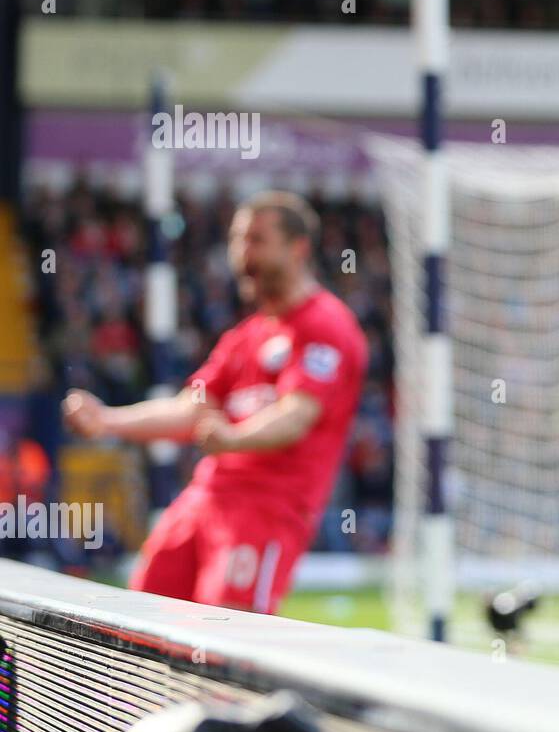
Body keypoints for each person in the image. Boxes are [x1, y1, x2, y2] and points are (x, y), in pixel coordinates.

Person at [62, 191, 367, 613]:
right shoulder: (243, 337)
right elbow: (190, 409)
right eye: (237, 240)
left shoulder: (325, 325)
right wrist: (107, 420)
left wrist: (232, 438)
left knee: (227, 635)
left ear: (298, 249)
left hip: (266, 509)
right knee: (141, 621)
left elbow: (296, 415)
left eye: (257, 240)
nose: (242, 254)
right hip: (203, 501)